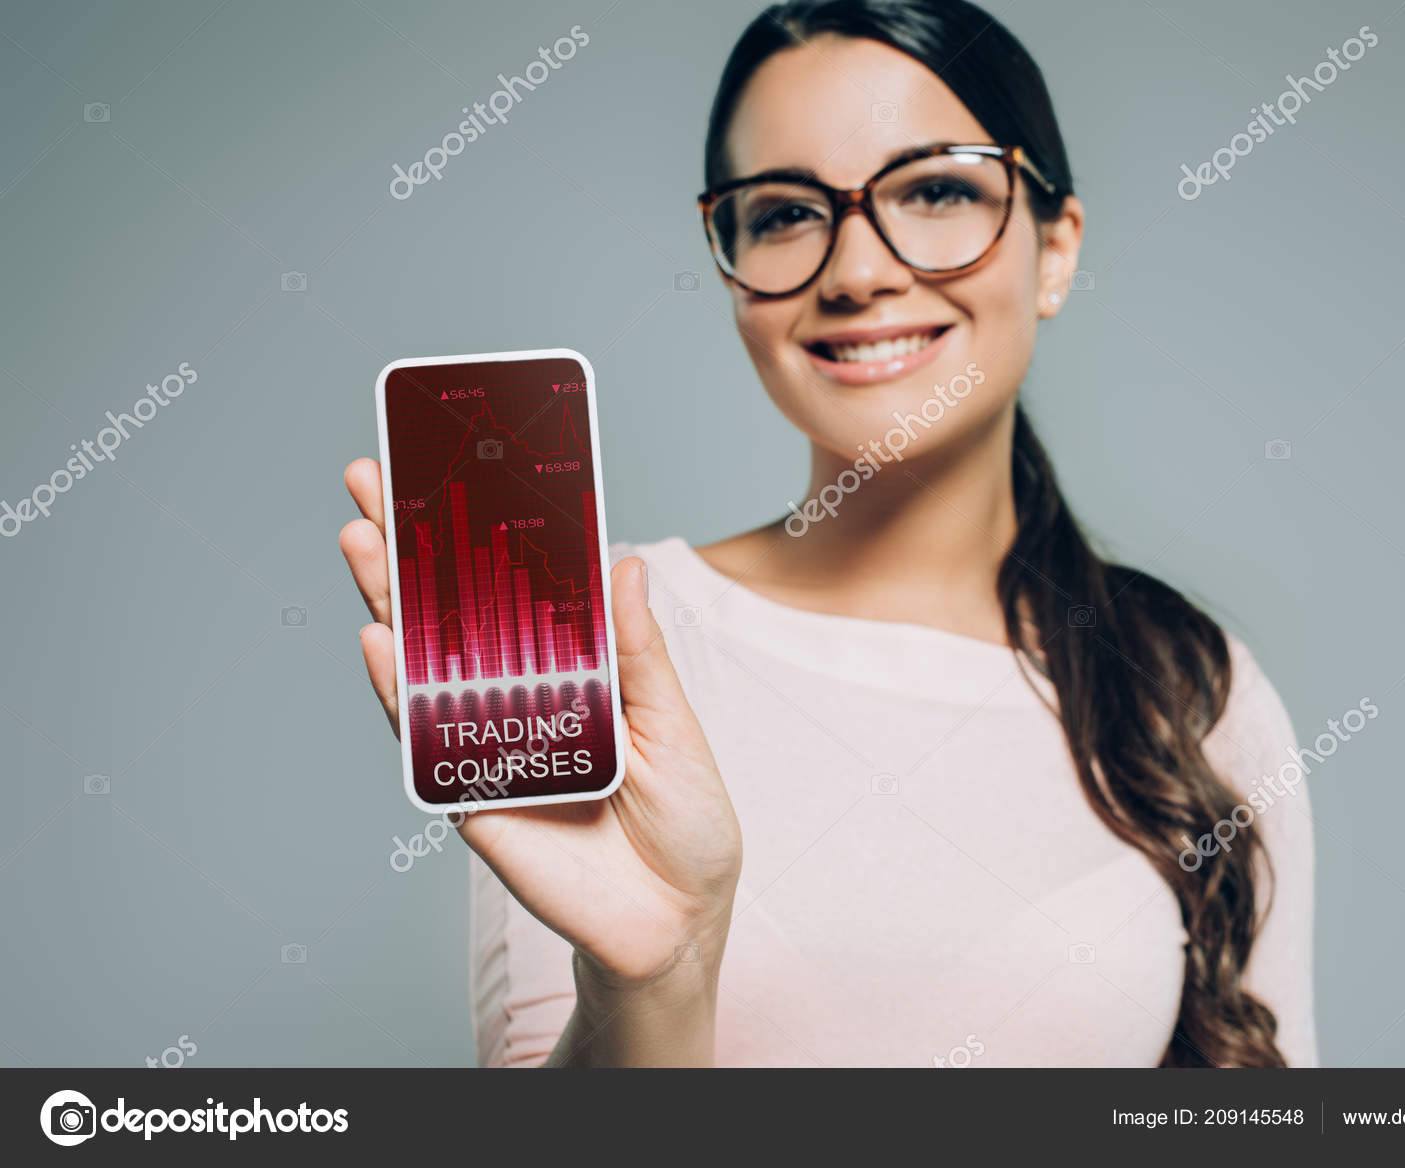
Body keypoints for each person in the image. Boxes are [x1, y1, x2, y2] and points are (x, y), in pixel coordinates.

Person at [339, 0, 1315, 1067]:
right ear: (729, 267)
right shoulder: (616, 654)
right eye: (785, 213)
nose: (855, 271)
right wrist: (653, 979)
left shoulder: (1188, 686)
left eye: (936, 188)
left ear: (1054, 249)